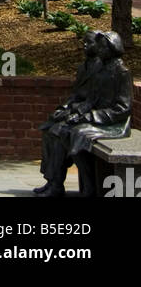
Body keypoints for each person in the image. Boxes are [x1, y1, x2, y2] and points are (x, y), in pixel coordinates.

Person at [35, 30, 133, 197]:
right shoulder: (102, 70)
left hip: (114, 123)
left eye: (102, 48)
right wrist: (76, 113)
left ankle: (89, 188)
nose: (99, 51)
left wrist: (89, 116)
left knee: (76, 134)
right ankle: (55, 183)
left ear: (112, 49)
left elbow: (123, 108)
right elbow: (91, 99)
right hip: (97, 117)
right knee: (58, 131)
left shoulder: (122, 72)